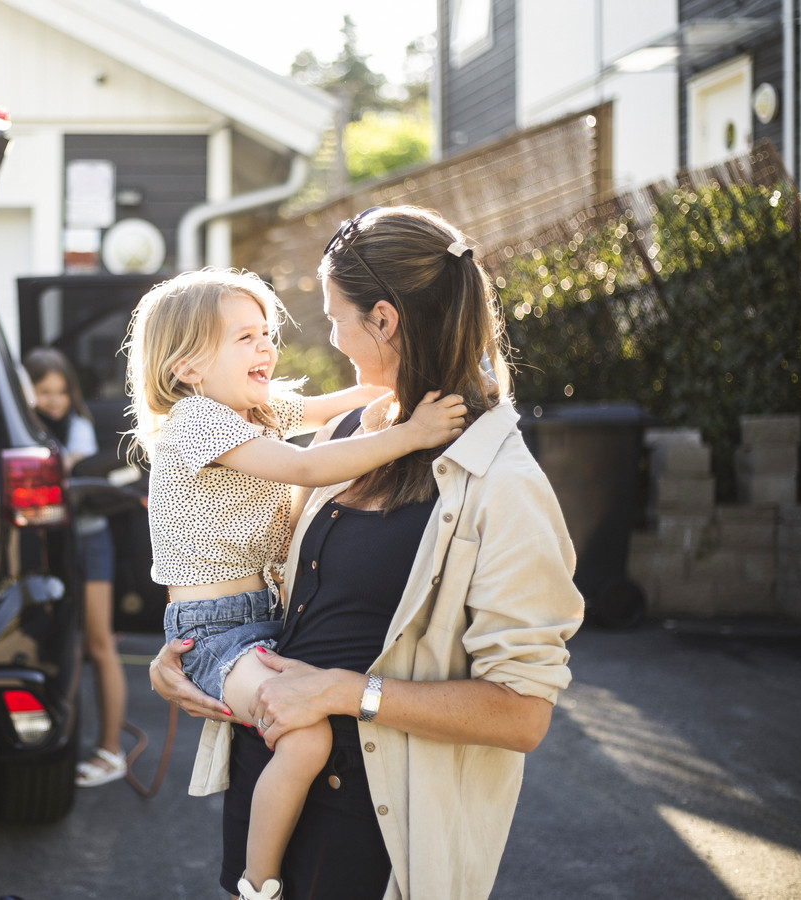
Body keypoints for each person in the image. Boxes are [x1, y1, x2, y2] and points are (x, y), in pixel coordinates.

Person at [149, 209, 584, 900]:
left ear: (382, 320)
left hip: (374, 830)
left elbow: (522, 714)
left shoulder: (502, 483)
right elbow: (263, 576)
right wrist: (190, 660)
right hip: (272, 774)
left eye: (334, 318)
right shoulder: (352, 432)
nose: (328, 338)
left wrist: (350, 693)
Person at [124, 268, 467, 900]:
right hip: (215, 632)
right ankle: (259, 882)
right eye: (243, 338)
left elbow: (320, 408)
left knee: (301, 734)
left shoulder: (247, 408)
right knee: (306, 738)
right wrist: (412, 434)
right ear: (187, 369)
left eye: (265, 333)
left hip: (258, 618)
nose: (265, 349)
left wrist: (390, 390)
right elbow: (306, 463)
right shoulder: (197, 419)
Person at [23, 346, 130, 788]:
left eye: (60, 392)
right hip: (43, 549)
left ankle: (110, 750)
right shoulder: (22, 426)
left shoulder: (79, 427)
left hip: (87, 542)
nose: (53, 401)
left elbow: (69, 469)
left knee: (98, 643)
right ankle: (52, 745)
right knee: (55, 647)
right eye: (42, 391)